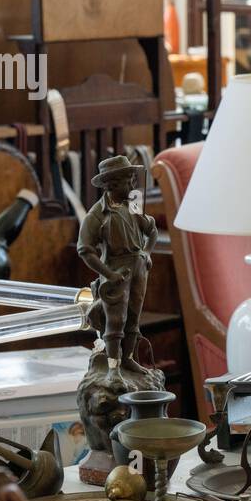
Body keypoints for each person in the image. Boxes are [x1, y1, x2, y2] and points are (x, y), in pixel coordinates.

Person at [78, 155, 157, 384]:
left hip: (138, 269)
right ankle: (113, 367)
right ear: (112, 184)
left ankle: (129, 358)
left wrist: (147, 253)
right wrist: (109, 274)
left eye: (133, 180)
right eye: (128, 181)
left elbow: (150, 230)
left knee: (133, 317)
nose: (133, 186)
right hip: (116, 271)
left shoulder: (132, 204)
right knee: (115, 320)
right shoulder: (97, 214)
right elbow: (85, 249)